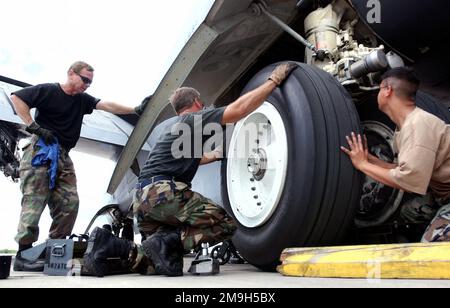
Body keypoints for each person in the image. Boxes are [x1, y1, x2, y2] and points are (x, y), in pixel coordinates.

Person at [83, 62, 298, 277]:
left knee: (154, 261)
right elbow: (238, 110)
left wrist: (214, 155)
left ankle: (109, 245)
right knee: (224, 224)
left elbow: (189, 159)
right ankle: (166, 242)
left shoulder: (176, 129)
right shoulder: (196, 118)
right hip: (162, 193)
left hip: (142, 201)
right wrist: (273, 81)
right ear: (197, 102)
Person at [11, 61, 149, 272]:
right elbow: (17, 98)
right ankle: (23, 254)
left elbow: (106, 106)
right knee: (35, 200)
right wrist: (34, 127)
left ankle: (54, 248)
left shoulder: (82, 100)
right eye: (84, 79)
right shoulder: (48, 90)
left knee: (70, 203)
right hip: (41, 149)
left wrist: (135, 109)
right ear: (70, 73)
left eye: (90, 82)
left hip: (64, 154)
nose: (87, 85)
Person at [341, 67, 450, 243]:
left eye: (379, 89)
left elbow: (408, 180)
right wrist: (371, 160)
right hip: (442, 196)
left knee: (430, 250)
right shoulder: (406, 127)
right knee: (409, 212)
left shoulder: (417, 126)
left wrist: (362, 165)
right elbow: (401, 168)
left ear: (387, 90)